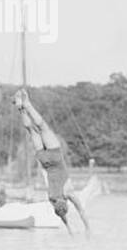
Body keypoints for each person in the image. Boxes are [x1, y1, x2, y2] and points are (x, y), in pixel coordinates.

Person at [14, 88, 92, 234]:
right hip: (45, 162)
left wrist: (88, 228)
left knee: (42, 126)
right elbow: (61, 214)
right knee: (32, 131)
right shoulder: (52, 198)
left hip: (56, 157)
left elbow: (81, 210)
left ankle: (27, 104)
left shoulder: (68, 193)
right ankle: (21, 109)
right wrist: (70, 229)